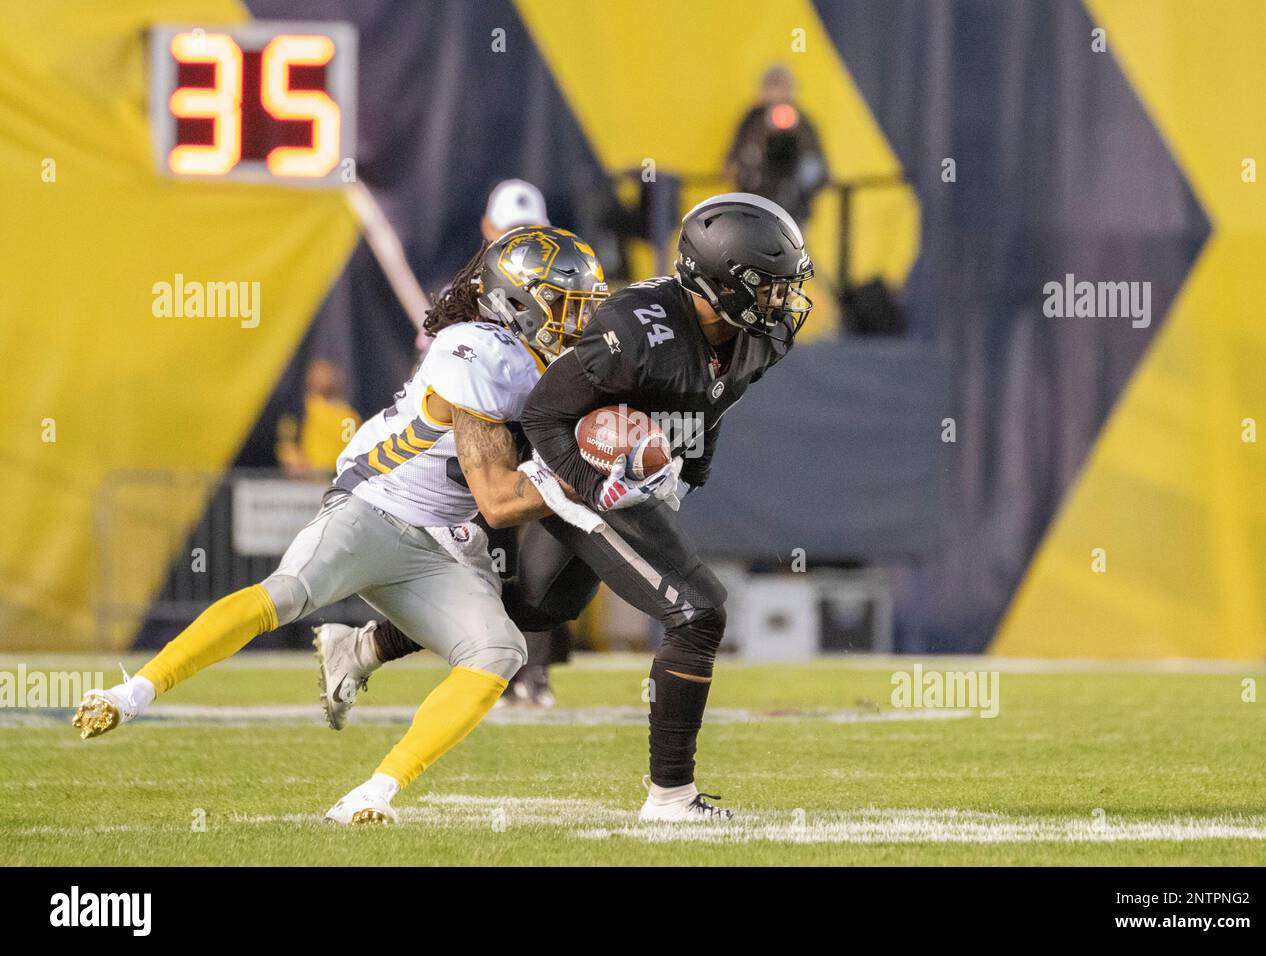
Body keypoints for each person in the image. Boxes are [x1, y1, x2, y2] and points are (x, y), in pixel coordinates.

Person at [72, 226, 611, 825]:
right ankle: (131, 692)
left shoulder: (539, 360)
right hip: (376, 507)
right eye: (567, 304)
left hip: (439, 539)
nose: (578, 320)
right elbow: (498, 500)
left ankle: (374, 790)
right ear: (518, 301)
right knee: (285, 594)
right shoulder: (479, 349)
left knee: (499, 651)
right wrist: (602, 475)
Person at [317, 193, 814, 822]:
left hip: (621, 468)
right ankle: (671, 798)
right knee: (698, 611)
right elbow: (546, 412)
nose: (780, 302)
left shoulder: (758, 340)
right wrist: (588, 480)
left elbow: (712, 398)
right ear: (719, 282)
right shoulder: (637, 330)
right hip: (570, 459)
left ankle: (362, 649)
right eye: (767, 287)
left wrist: (689, 471)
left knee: (538, 605)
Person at [725, 65, 828, 226]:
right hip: (755, 207)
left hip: (794, 210)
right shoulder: (752, 120)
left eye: (782, 86)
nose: (777, 92)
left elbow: (818, 168)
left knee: (792, 246)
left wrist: (801, 188)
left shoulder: (802, 122)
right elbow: (733, 161)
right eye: (773, 85)